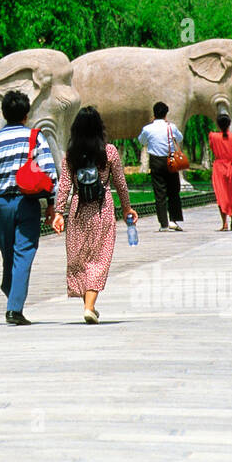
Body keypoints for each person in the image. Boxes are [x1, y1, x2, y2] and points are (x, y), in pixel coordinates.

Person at [0, 90, 58, 325]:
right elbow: (50, 171)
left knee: (9, 254)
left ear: (4, 113)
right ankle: (14, 309)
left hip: (3, 205)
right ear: (26, 114)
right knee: (23, 255)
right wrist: (52, 205)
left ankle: (12, 296)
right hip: (28, 203)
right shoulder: (35, 137)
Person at [52, 106, 134, 324]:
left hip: (78, 209)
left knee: (81, 258)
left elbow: (65, 186)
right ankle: (89, 306)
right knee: (99, 258)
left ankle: (90, 306)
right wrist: (126, 208)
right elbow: (120, 184)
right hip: (102, 207)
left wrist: (59, 212)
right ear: (100, 127)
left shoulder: (71, 155)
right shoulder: (109, 152)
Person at [137, 102, 185, 231]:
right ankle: (173, 220)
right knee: (174, 191)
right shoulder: (171, 127)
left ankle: (163, 224)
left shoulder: (148, 128)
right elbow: (179, 138)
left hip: (156, 162)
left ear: (154, 113)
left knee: (160, 193)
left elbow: (141, 141)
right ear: (166, 113)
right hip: (171, 160)